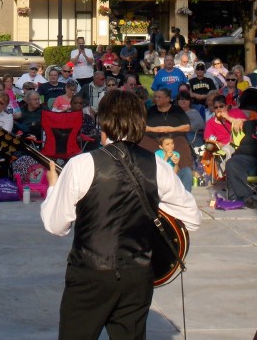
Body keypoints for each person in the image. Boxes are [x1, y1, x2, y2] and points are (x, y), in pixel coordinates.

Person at [40, 89, 200, 340]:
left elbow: (55, 225)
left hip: (90, 272)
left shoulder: (81, 164)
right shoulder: (157, 165)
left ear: (103, 122)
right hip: (137, 272)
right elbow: (192, 218)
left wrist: (52, 187)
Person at [139, 88, 194, 189]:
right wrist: (154, 129)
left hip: (174, 138)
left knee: (182, 143)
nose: (156, 99)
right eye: (155, 97)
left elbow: (187, 126)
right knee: (143, 142)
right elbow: (141, 126)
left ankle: (184, 175)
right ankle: (145, 176)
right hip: (154, 139)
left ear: (168, 98)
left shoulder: (177, 110)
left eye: (159, 97)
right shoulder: (151, 110)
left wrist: (172, 129)